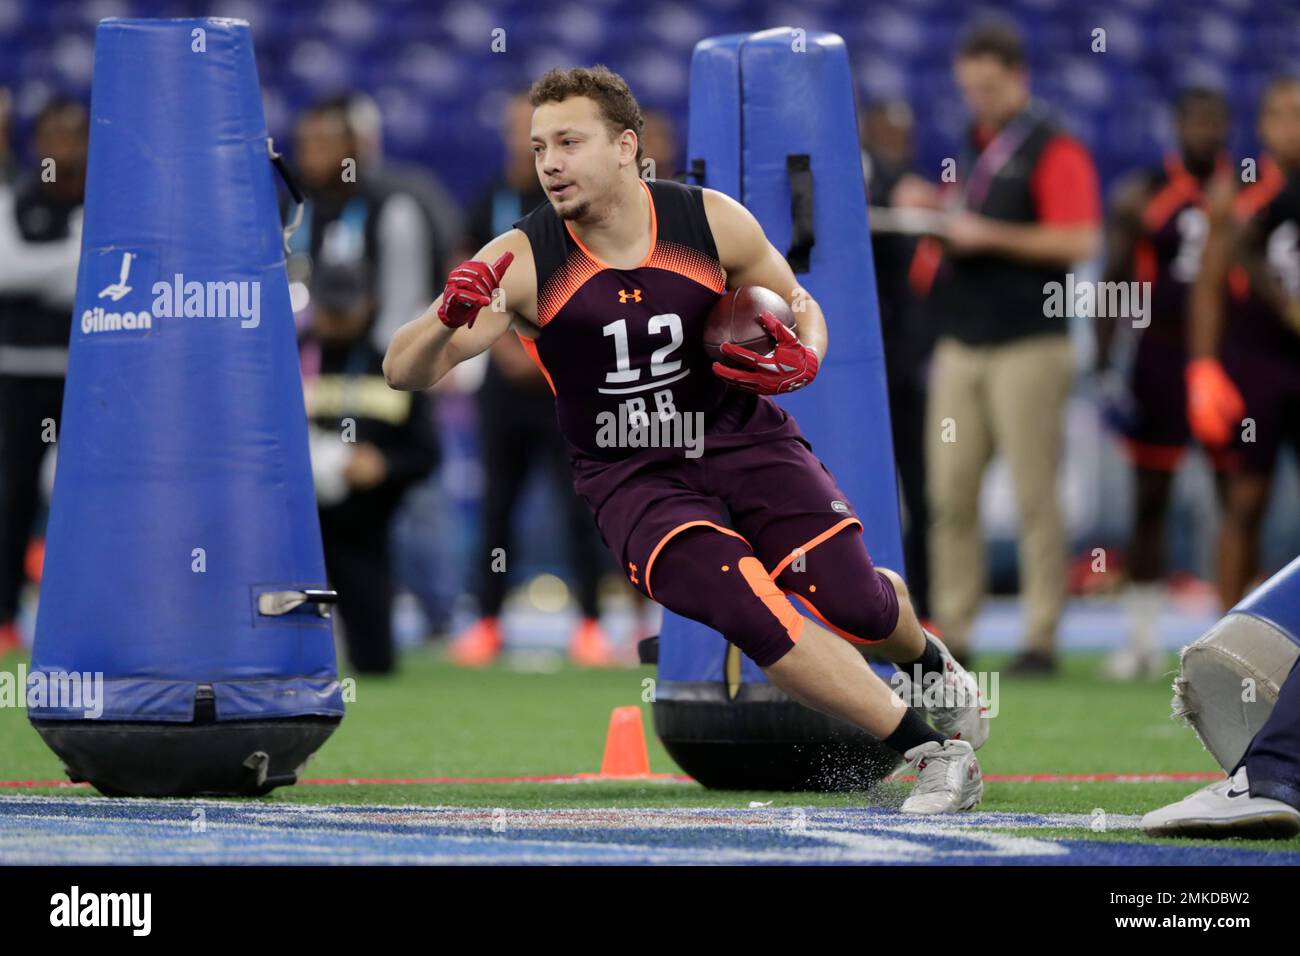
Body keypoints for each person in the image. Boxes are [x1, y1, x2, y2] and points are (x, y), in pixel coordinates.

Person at [385, 65, 990, 813]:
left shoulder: (709, 222)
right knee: (748, 604)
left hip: (740, 438)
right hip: (632, 477)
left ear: (624, 147)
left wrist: (808, 352)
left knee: (855, 602)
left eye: (569, 141)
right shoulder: (524, 256)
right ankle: (929, 752)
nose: (549, 161)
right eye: (540, 145)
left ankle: (926, 659)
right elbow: (404, 371)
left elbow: (802, 304)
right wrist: (445, 313)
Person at [899, 21, 1102, 674]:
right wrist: (935, 210)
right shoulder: (975, 142)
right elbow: (969, 221)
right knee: (949, 494)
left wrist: (989, 236)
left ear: (1018, 78)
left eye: (989, 87)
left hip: (1029, 345)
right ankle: (955, 628)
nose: (978, 99)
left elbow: (1078, 241)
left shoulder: (1053, 147)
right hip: (964, 343)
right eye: (971, 88)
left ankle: (1041, 635)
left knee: (1035, 495)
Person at [450, 91, 616, 667]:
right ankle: (489, 622)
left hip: (565, 378)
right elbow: (466, 284)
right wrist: (505, 346)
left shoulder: (573, 203)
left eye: (542, 136)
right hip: (504, 381)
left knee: (581, 503)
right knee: (498, 504)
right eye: (523, 134)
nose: (534, 148)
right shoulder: (486, 202)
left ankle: (591, 624)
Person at [1096, 88, 1232, 680]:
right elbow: (1114, 280)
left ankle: (1242, 643)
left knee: (1238, 497)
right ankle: (1143, 639)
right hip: (1159, 356)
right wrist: (1104, 368)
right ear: (1177, 125)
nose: (1204, 131)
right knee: (1151, 499)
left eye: (1214, 122)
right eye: (1194, 120)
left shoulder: (1246, 192)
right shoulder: (1143, 195)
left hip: (1231, 358)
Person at [1187, 77, 1300, 609]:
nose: (1291, 126)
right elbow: (1209, 284)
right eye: (1281, 114)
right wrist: (1204, 368)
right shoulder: (1240, 193)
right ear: (1263, 126)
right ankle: (1226, 637)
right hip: (1258, 361)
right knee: (1245, 500)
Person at [302, 262, 439, 674]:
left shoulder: (394, 366)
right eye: (328, 309)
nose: (335, 320)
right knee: (285, 654)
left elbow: (427, 454)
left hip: (364, 528)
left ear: (369, 305)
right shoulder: (287, 357)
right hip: (293, 524)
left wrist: (383, 466)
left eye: (344, 309)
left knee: (375, 661)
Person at [0, 98, 86, 653]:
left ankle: (82, 618)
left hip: (81, 371)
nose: (61, 149)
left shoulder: (104, 197)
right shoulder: (13, 193)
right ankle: (5, 619)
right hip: (16, 373)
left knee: (84, 495)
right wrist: (68, 266)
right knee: (11, 495)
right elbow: (5, 271)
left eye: (73, 136)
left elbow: (95, 273)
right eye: (51, 135)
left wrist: (38, 273)